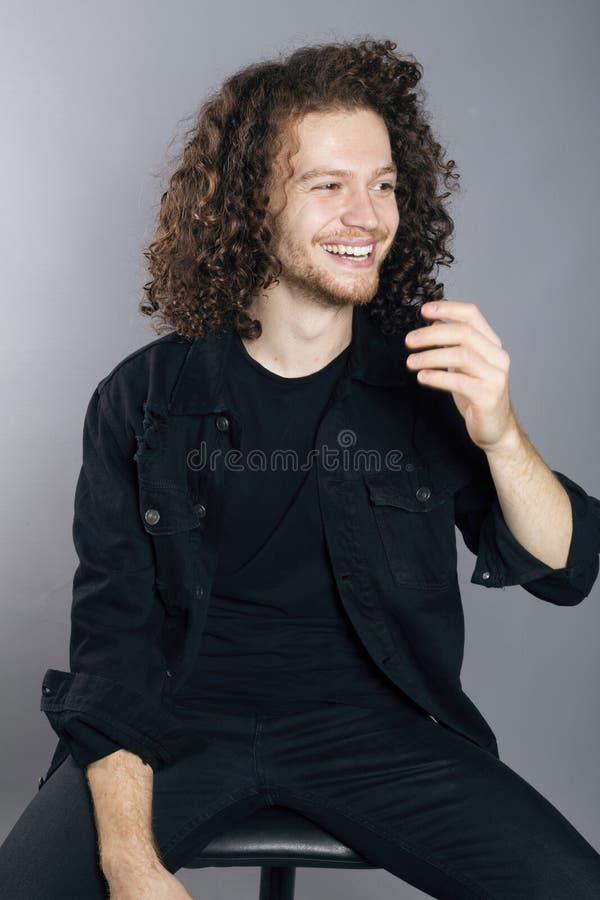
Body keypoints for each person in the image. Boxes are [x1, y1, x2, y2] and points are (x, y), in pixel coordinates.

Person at [2, 38, 600, 900]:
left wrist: (503, 435)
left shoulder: (428, 379)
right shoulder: (142, 400)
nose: (368, 215)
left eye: (384, 184)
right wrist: (131, 861)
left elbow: (564, 569)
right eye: (329, 186)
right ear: (252, 204)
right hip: (176, 728)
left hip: (377, 732)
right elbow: (114, 650)